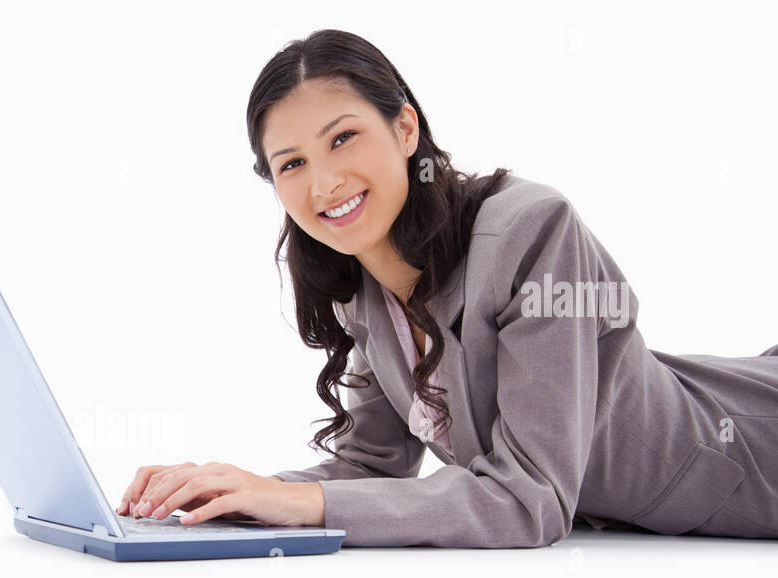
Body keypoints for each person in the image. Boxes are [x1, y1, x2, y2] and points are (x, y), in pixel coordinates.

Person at [117, 28, 778, 547]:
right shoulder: (363, 294)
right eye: (292, 164)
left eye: (343, 138)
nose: (323, 185)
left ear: (405, 129)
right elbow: (369, 473)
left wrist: (297, 504)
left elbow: (530, 501)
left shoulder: (531, 230)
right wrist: (229, 492)